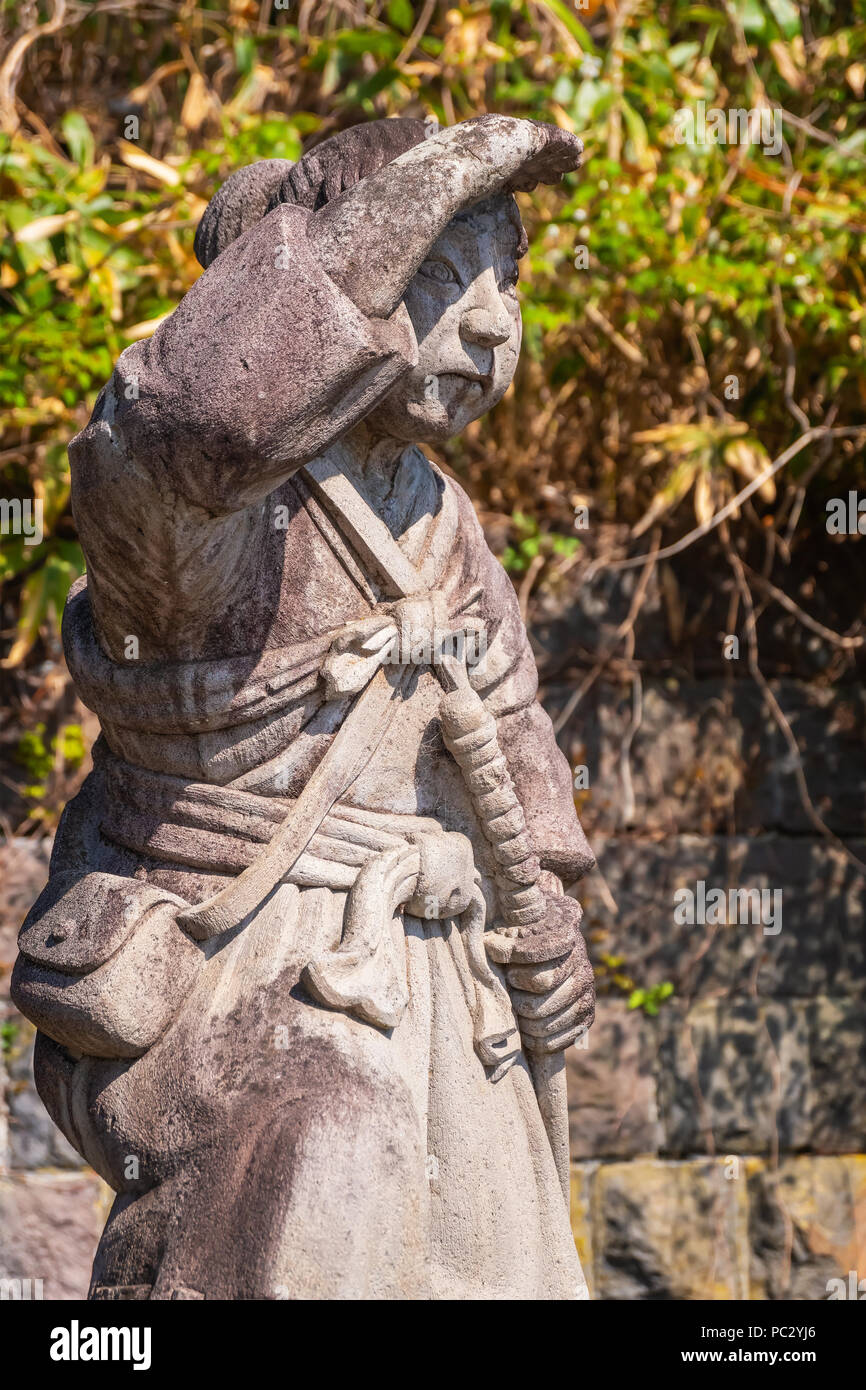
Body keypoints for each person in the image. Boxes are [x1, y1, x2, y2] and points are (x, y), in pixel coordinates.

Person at [13, 114, 596, 1299]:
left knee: (494, 1262)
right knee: (326, 1166)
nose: (488, 323)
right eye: (440, 276)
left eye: (507, 282)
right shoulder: (216, 513)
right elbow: (184, 431)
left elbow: (511, 729)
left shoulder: (441, 517)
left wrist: (545, 912)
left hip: (440, 980)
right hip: (243, 964)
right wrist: (365, 228)